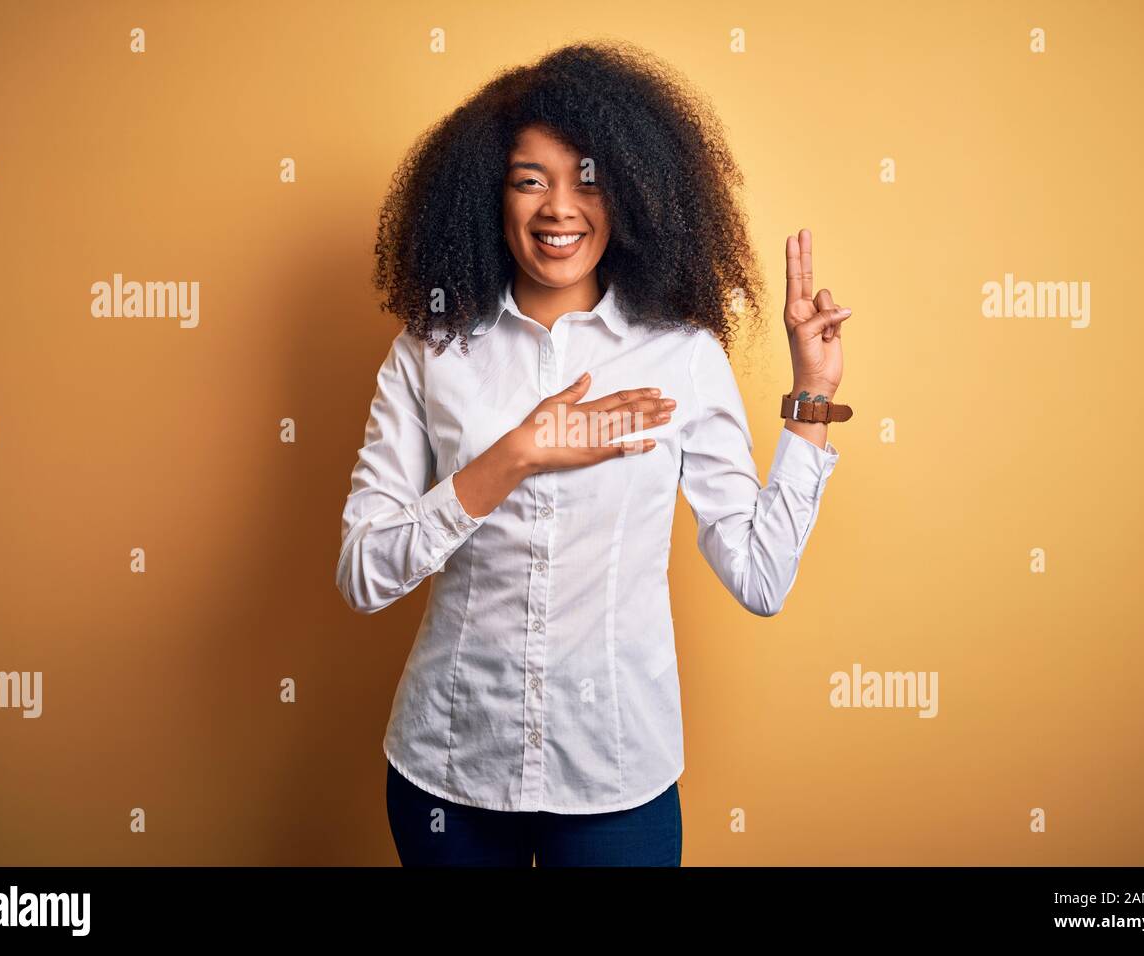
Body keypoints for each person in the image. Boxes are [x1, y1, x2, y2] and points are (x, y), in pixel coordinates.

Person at [336, 40, 853, 867]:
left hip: (615, 776)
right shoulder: (430, 352)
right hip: (448, 774)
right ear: (488, 196)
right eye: (529, 180)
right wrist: (516, 454)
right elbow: (363, 574)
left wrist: (812, 399)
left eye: (588, 178)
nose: (559, 208)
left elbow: (762, 578)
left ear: (633, 194)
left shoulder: (682, 356)